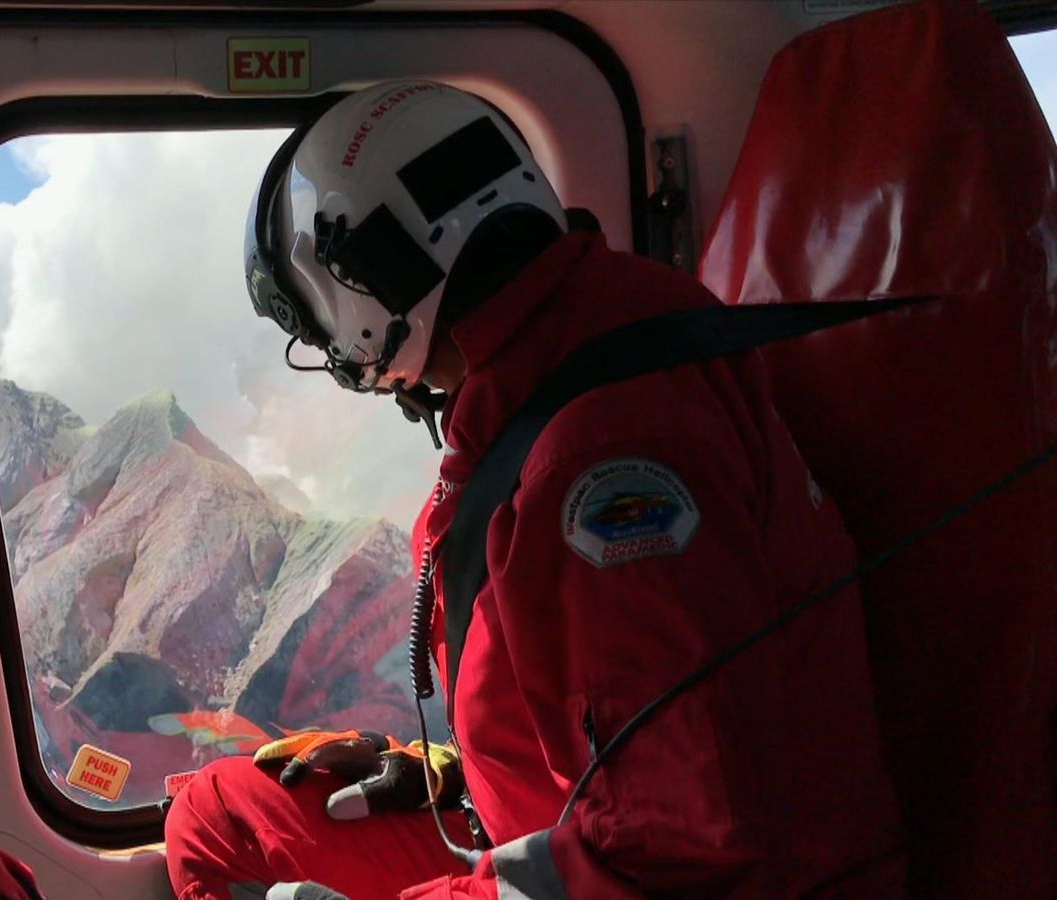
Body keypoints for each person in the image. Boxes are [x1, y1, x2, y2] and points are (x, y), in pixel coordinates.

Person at [164, 81, 905, 899]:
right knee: (217, 812)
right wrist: (445, 774)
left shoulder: (605, 459)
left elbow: (684, 851)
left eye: (312, 316)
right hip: (575, 834)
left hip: (680, 873)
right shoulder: (577, 348)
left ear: (359, 281)